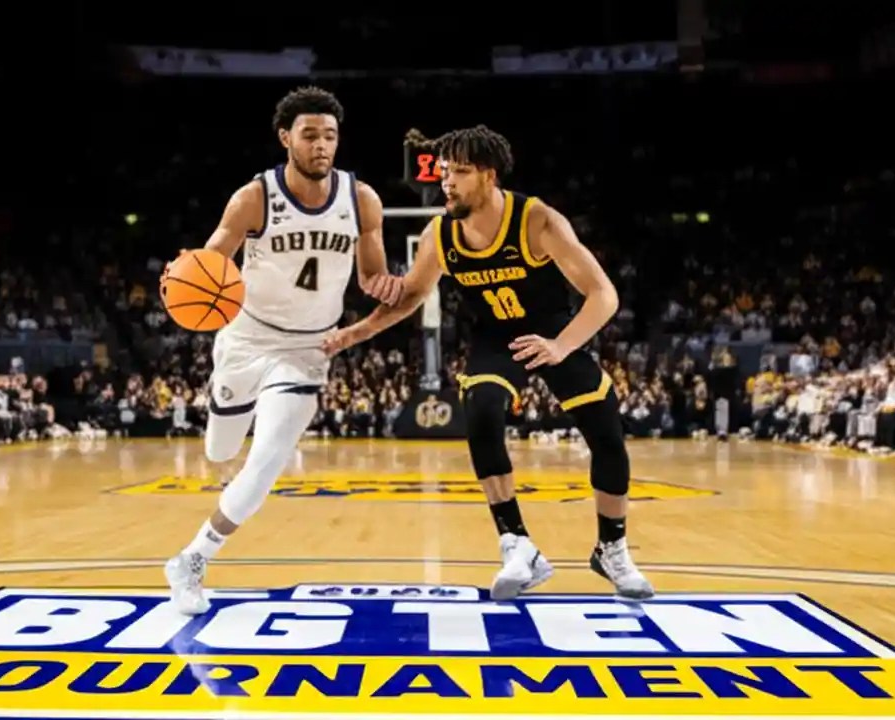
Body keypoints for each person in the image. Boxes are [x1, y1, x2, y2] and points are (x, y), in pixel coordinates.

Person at [323, 125, 653, 599]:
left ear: (488, 176)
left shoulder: (537, 220)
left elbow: (603, 295)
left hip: (552, 331)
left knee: (606, 428)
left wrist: (560, 345)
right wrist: (353, 333)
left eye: (459, 172)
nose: (447, 183)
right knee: (480, 406)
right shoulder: (440, 233)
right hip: (496, 339)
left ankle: (612, 549)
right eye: (443, 173)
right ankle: (517, 544)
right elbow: (407, 298)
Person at [164, 86, 402, 614]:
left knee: (267, 460)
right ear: (285, 138)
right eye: (310, 135)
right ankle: (224, 407)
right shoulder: (254, 198)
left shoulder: (362, 200)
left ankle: (193, 558)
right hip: (246, 336)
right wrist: (190, 273)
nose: (322, 146)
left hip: (309, 347)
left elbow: (370, 275)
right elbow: (213, 260)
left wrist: (384, 286)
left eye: (331, 136)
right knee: (220, 451)